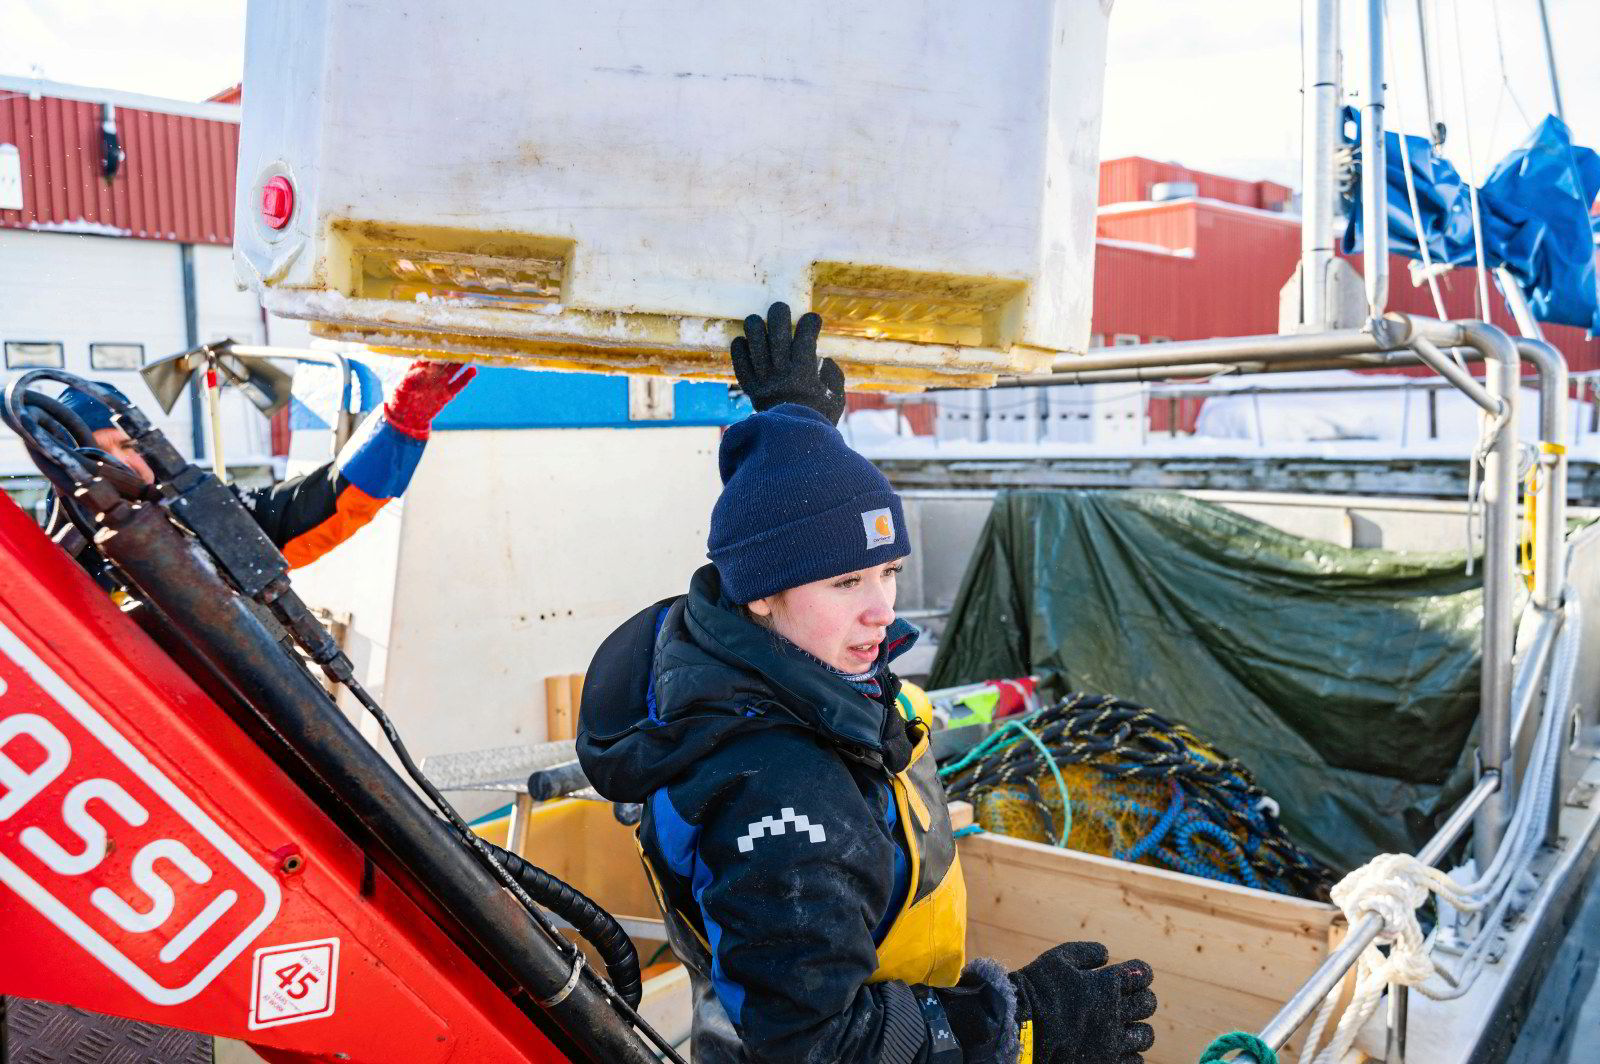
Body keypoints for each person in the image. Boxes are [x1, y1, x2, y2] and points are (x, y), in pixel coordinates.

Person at [578, 305, 1156, 1064]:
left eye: (888, 571)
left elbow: (795, 533)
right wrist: (1017, 1027)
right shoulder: (785, 796)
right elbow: (812, 1042)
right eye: (848, 580)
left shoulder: (781, 661)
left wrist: (797, 432)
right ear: (762, 593)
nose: (882, 609)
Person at [48, 358, 474, 569]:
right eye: (98, 453)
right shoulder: (48, 567)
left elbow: (320, 502)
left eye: (127, 445)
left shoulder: (199, 517)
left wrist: (398, 426)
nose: (121, 462)